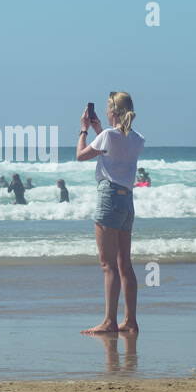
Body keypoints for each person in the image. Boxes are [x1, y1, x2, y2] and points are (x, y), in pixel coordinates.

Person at [77, 91, 144, 334]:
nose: (105, 113)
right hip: (127, 201)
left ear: (113, 112)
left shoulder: (108, 135)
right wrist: (99, 130)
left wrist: (84, 129)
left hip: (109, 197)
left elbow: (80, 155)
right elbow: (115, 151)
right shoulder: (137, 138)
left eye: (108, 109)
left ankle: (109, 321)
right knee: (124, 264)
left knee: (108, 265)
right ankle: (131, 320)